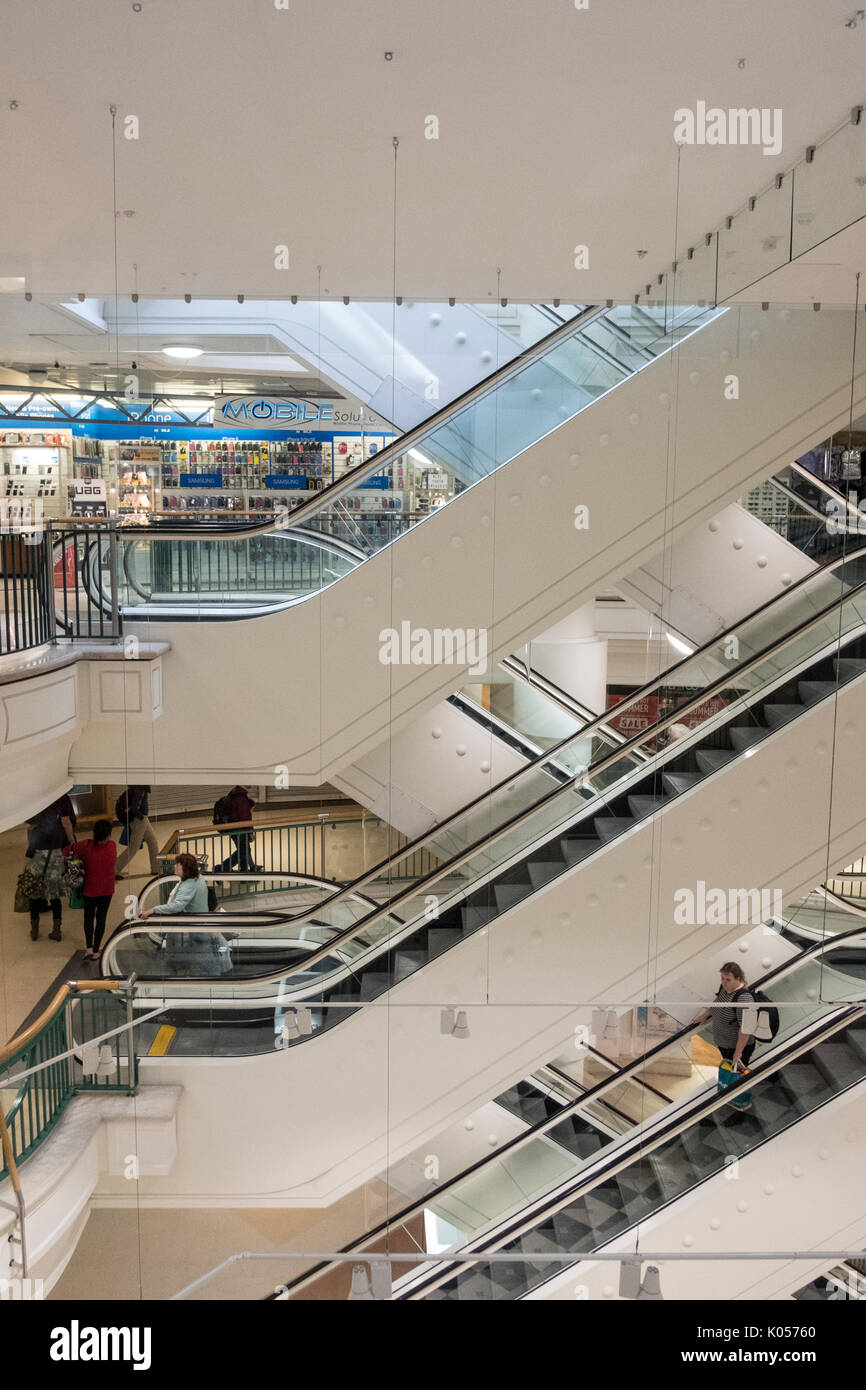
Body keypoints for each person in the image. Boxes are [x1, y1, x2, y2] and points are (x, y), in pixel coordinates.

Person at [139, 853, 230, 977]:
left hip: (193, 926)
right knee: (201, 952)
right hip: (201, 922)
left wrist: (153, 910)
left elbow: (177, 905)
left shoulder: (189, 885)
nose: (175, 866)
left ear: (185, 868)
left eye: (178, 865)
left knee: (200, 953)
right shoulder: (199, 878)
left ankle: (192, 974)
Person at [63, 818, 117, 960]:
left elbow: (66, 851)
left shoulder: (86, 846)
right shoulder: (112, 846)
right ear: (108, 834)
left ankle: (88, 948)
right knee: (101, 918)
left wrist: (75, 856)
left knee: (88, 918)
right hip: (107, 890)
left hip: (90, 890)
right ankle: (96, 949)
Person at [25, 798, 76, 941]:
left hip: (38, 862)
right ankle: (56, 931)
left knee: (35, 897)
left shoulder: (34, 829)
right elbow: (62, 846)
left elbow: (30, 852)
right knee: (55, 897)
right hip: (55, 861)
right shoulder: (58, 829)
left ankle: (34, 931)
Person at [691, 961, 756, 1071]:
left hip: (736, 1048)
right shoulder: (725, 989)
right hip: (724, 1044)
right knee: (728, 1071)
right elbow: (717, 1003)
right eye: (722, 979)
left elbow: (745, 1029)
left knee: (735, 1076)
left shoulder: (744, 999)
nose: (724, 983)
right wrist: (704, 1016)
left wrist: (738, 1053)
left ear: (738, 978)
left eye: (728, 980)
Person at [115, 785, 159, 879]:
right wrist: (142, 817)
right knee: (133, 848)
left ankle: (156, 869)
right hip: (139, 820)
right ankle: (113, 870)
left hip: (142, 820)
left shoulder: (139, 787)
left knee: (153, 842)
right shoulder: (140, 788)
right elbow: (134, 808)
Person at [215, 785, 260, 873]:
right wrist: (250, 831)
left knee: (244, 850)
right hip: (239, 829)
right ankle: (221, 868)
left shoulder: (235, 795)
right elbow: (245, 817)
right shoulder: (241, 798)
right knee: (243, 852)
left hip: (233, 828)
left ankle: (244, 872)